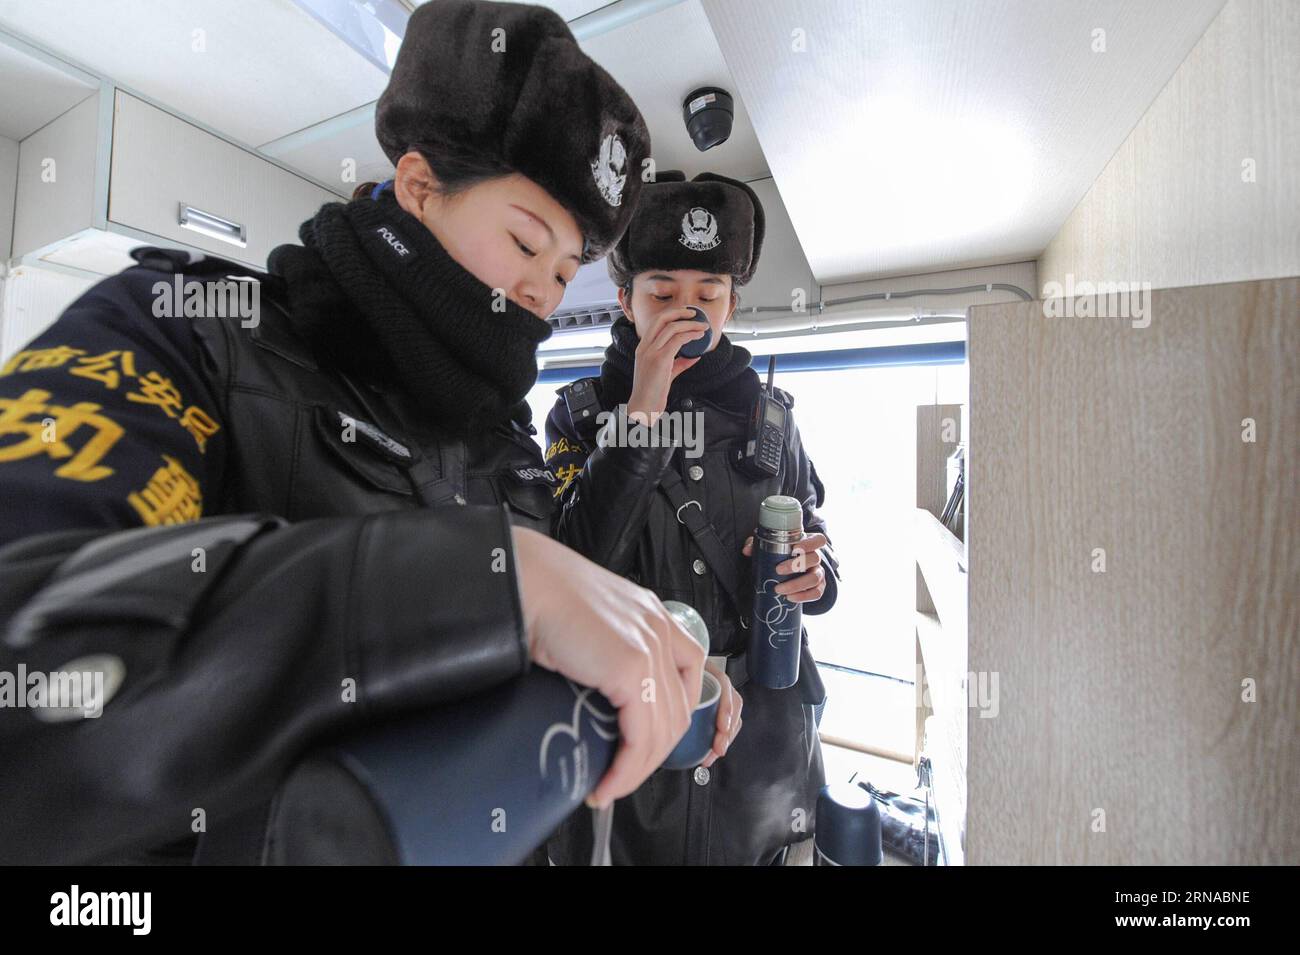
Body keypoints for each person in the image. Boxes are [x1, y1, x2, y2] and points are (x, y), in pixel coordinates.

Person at [0, 0, 705, 865]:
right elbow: (33, 664)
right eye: (526, 242)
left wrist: (660, 645)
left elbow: (575, 580)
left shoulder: (504, 438)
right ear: (417, 186)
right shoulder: (188, 332)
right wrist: (481, 587)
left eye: (565, 271)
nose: (543, 294)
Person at [543, 170, 840, 865]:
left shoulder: (774, 419)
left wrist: (817, 576)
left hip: (765, 742)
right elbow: (569, 563)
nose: (690, 312)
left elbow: (819, 542)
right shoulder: (578, 414)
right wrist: (644, 407)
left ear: (732, 304)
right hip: (634, 723)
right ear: (624, 299)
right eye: (663, 293)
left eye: (709, 295)